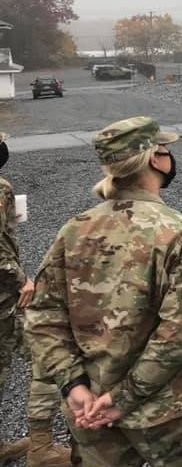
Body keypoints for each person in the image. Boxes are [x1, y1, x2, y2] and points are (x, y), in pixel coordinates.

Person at [26, 117, 182, 466]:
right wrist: (123, 399)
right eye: (165, 149)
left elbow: (42, 316)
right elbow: (177, 335)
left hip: (91, 408)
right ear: (154, 158)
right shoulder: (178, 232)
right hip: (168, 411)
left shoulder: (73, 230)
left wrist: (73, 386)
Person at [0, 132, 71, 467]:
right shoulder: (0, 188)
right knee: (45, 353)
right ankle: (42, 448)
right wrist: (22, 280)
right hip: (5, 300)